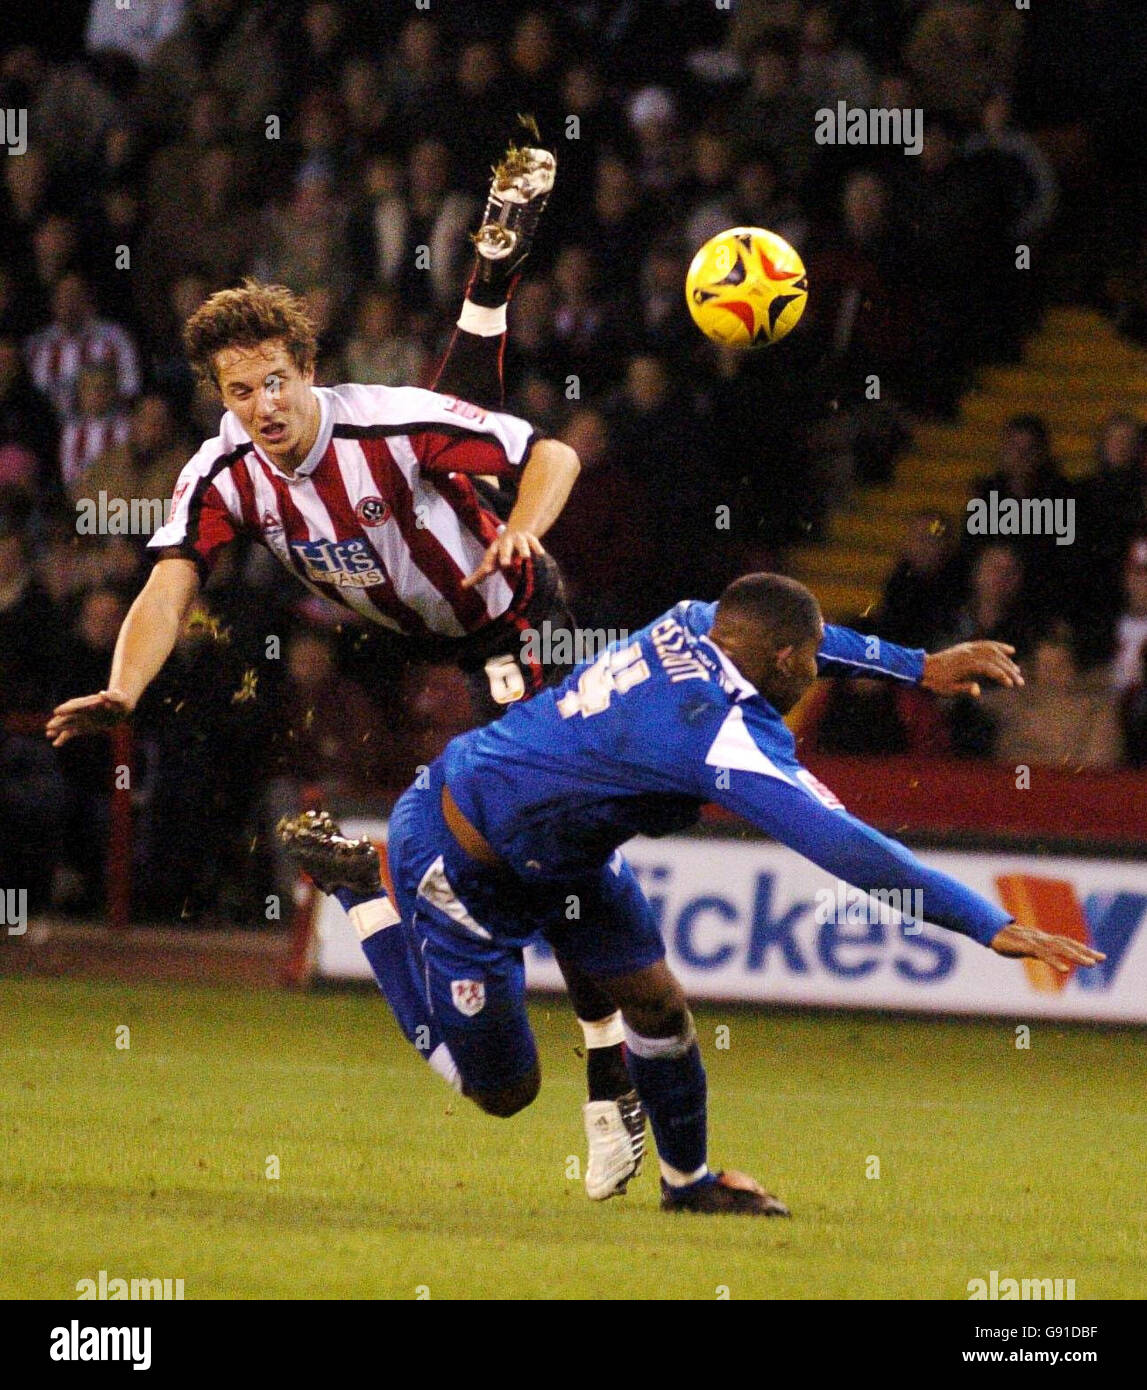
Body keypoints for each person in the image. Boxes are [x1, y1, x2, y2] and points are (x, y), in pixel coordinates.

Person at [280, 573, 1102, 1215]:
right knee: (499, 1091)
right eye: (808, 662)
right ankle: (362, 896)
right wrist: (987, 924)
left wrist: (915, 666)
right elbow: (847, 848)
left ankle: (688, 1182)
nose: (815, 669)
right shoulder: (712, 732)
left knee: (659, 1006)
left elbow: (794, 624)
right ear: (781, 663)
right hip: (459, 861)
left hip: (565, 852)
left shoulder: (690, 619)